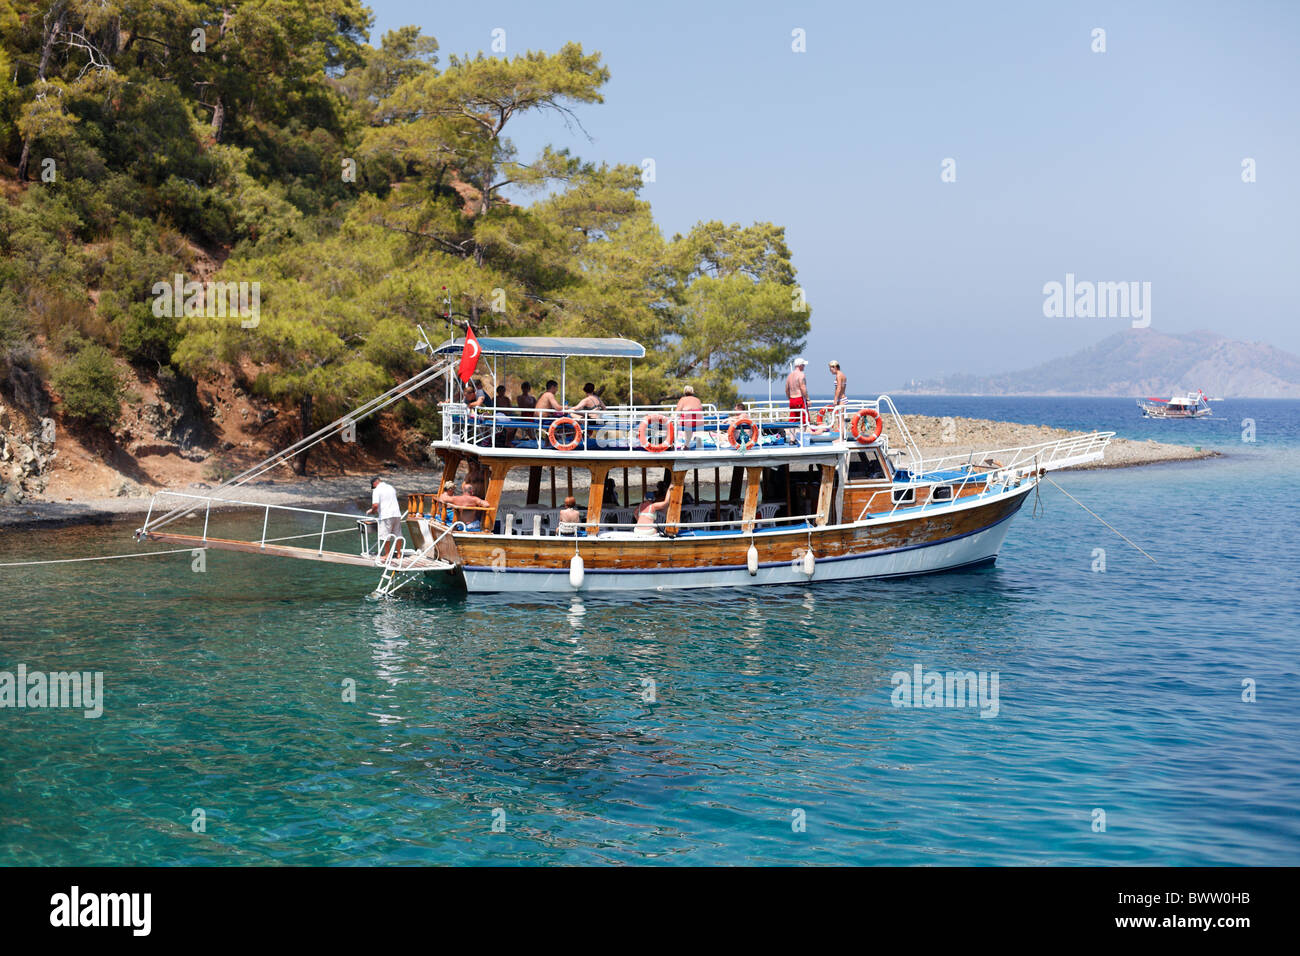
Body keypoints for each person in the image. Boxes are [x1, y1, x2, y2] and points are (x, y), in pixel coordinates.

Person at [366, 476, 403, 560]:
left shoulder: (377, 490)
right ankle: (399, 554)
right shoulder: (391, 487)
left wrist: (372, 511)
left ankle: (387, 555)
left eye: (373, 486)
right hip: (396, 513)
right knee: (398, 535)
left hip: (386, 515)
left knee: (386, 535)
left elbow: (375, 505)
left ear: (375, 483)